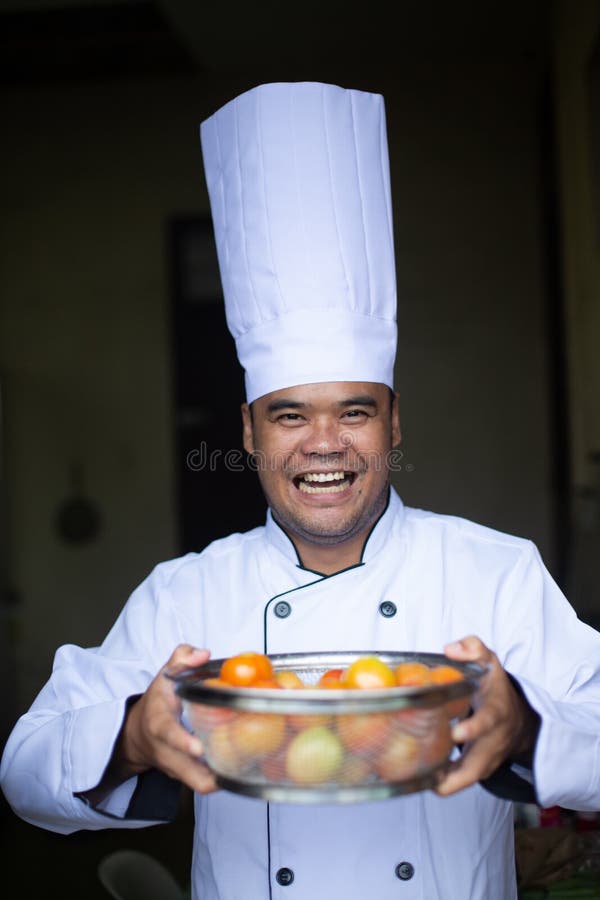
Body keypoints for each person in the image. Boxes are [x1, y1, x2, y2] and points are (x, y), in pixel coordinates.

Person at [2, 82, 600, 900]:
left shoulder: (495, 573)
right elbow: (22, 770)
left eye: (354, 410)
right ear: (250, 433)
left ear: (393, 426)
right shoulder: (187, 594)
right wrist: (133, 737)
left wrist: (528, 729)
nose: (324, 443)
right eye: (290, 415)